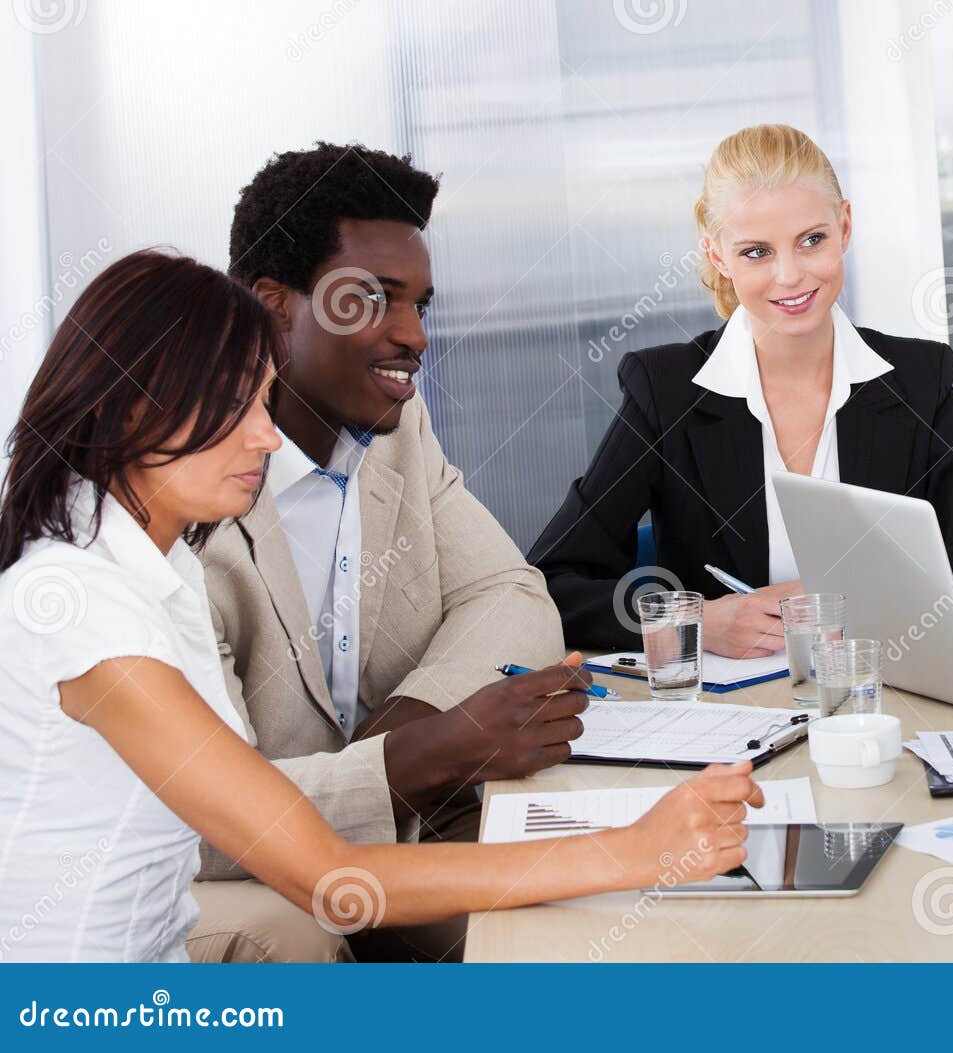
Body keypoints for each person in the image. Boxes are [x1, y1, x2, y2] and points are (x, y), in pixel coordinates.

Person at [0, 250, 760, 963]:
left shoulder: (150, 566)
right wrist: (637, 848)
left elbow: (509, 589)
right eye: (234, 406)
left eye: (262, 400)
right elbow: (329, 874)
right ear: (134, 408)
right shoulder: (83, 608)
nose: (265, 436)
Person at [196, 143, 575, 961]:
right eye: (372, 300)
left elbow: (511, 595)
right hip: (242, 872)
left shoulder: (398, 438)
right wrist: (419, 756)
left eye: (420, 305)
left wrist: (406, 739)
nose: (414, 337)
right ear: (275, 307)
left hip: (390, 825)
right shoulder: (187, 497)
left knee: (594, 908)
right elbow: (202, 820)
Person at [532, 123, 953, 655]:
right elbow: (554, 581)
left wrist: (844, 600)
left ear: (844, 227)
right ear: (718, 254)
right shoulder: (667, 393)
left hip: (882, 691)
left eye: (812, 240)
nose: (790, 275)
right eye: (756, 252)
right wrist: (697, 621)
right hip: (734, 715)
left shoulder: (916, 377)